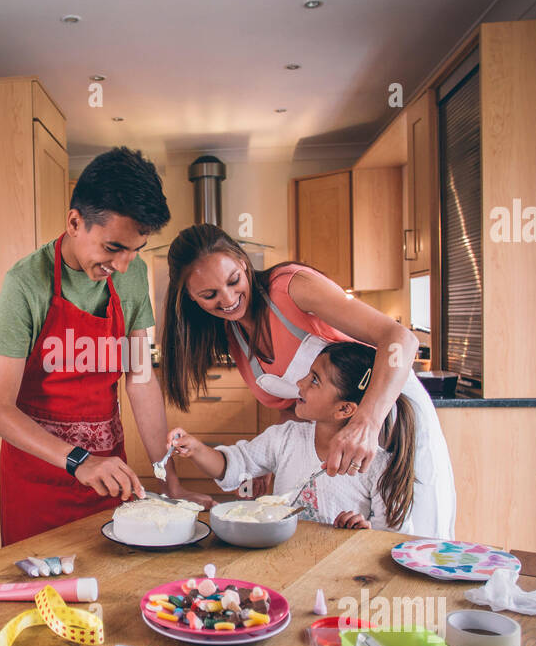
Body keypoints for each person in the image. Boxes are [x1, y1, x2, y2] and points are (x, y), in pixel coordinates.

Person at [159, 223, 455, 538]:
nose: (228, 298)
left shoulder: (290, 288)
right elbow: (294, 410)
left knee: (408, 539)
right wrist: (273, 462)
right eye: (209, 294)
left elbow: (400, 339)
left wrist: (366, 423)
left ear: (244, 263)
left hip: (390, 417)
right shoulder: (232, 334)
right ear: (190, 297)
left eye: (234, 281)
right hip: (331, 449)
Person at [0, 148, 214, 546]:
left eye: (135, 251)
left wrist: (170, 481)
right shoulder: (25, 284)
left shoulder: (130, 275)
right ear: (75, 222)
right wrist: (79, 461)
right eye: (113, 248)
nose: (124, 265)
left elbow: (141, 381)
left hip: (108, 480)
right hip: (38, 483)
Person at [166, 341, 416, 531]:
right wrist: (197, 449)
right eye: (308, 374)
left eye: (315, 380)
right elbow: (236, 464)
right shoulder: (286, 438)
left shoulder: (379, 467)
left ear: (344, 409)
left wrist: (361, 532)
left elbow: (390, 538)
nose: (300, 382)